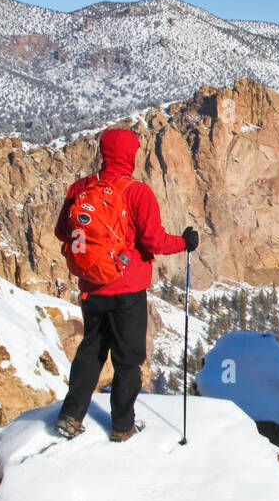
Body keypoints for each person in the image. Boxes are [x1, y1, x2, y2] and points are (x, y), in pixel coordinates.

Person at [52, 126, 198, 441]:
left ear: (103, 152)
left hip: (91, 286)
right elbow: (154, 240)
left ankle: (70, 416)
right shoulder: (136, 192)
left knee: (90, 352)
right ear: (131, 155)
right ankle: (121, 426)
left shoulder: (80, 187)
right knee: (127, 359)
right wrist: (184, 243)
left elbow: (63, 233)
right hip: (127, 290)